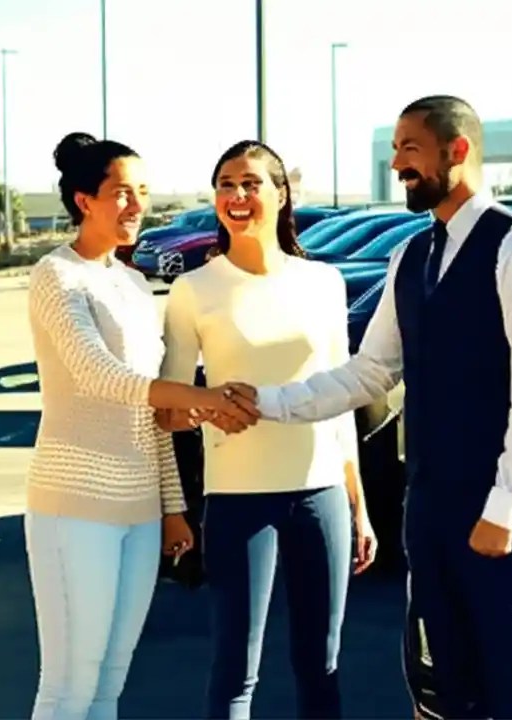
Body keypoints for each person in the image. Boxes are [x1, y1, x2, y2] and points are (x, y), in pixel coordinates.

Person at [245, 95, 512, 718]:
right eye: (395, 150)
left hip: (501, 502)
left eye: (410, 149)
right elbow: (369, 373)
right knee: (449, 680)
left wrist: (503, 508)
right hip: (429, 502)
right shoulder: (410, 257)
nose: (397, 164)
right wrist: (263, 403)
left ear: (459, 151)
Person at [25, 131, 258, 720]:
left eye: (143, 193)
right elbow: (99, 376)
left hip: (139, 512)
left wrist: (173, 507)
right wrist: (202, 397)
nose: (136, 206)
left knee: (110, 678)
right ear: (85, 200)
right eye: (121, 193)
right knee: (68, 682)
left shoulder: (129, 283)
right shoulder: (56, 276)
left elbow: (152, 412)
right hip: (74, 507)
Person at [156, 139, 377, 720]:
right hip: (237, 499)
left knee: (320, 668)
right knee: (235, 673)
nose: (236, 195)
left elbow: (341, 396)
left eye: (251, 183)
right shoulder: (194, 290)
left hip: (320, 493)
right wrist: (211, 407)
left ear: (281, 195)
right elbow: (170, 408)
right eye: (226, 183)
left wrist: (358, 506)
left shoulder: (324, 282)